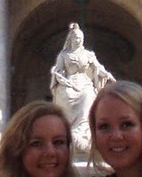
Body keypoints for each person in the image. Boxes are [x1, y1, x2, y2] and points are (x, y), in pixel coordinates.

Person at [49, 23, 116, 157]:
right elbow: (59, 70)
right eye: (76, 38)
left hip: (84, 84)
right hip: (68, 84)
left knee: (88, 96)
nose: (78, 40)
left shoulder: (88, 54)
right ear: (71, 39)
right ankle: (73, 136)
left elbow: (98, 68)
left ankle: (81, 135)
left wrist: (106, 74)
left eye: (80, 38)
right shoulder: (64, 55)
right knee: (65, 93)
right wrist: (57, 73)